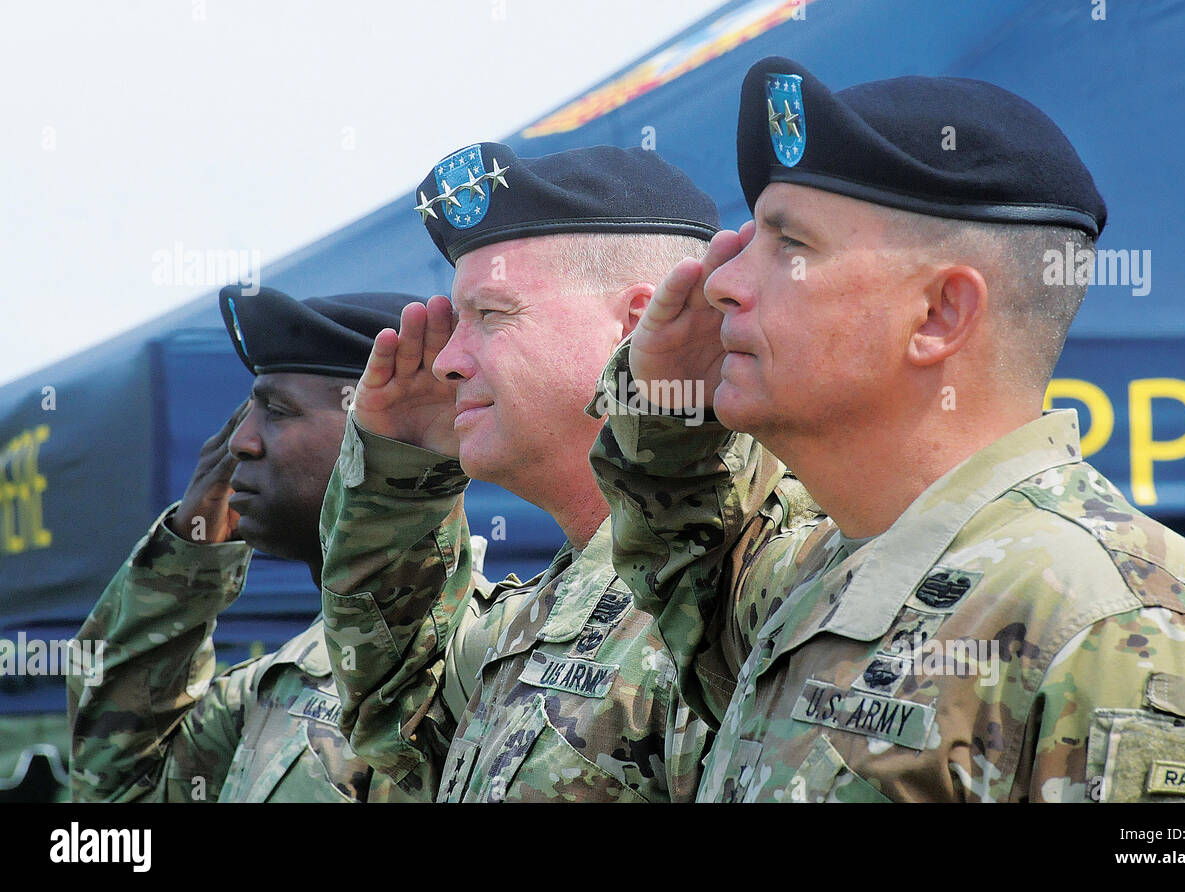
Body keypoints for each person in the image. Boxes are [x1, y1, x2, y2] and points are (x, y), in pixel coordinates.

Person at [589, 56, 1185, 802]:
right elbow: (688, 578)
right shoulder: (829, 574)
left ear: (938, 315)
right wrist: (666, 403)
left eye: (790, 246)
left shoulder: (1113, 629)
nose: (720, 281)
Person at [319, 142, 815, 801]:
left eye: (491, 314)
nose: (447, 362)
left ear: (636, 325)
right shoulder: (546, 610)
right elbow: (400, 744)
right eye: (456, 321)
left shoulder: (775, 580)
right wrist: (398, 484)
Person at [67, 285, 479, 802]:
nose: (241, 442)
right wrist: (183, 564)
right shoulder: (279, 683)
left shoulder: (487, 651)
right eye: (246, 415)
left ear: (383, 427)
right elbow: (117, 795)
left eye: (277, 411)